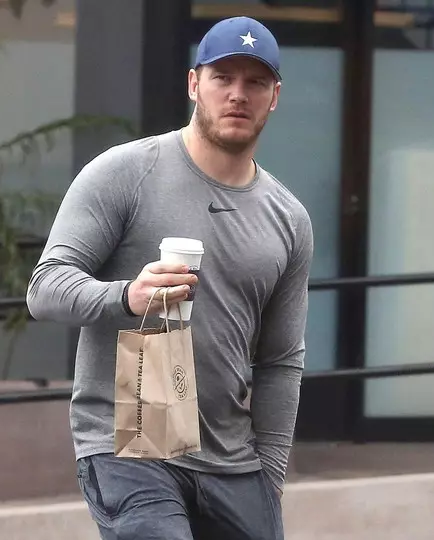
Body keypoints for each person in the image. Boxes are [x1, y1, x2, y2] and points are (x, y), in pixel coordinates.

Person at [26, 15, 313, 540]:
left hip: (232, 461)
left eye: (254, 82)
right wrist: (127, 296)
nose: (237, 94)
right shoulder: (125, 172)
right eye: (223, 78)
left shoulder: (288, 219)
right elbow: (45, 288)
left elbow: (280, 360)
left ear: (274, 96)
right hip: (131, 442)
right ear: (193, 84)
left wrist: (269, 478)